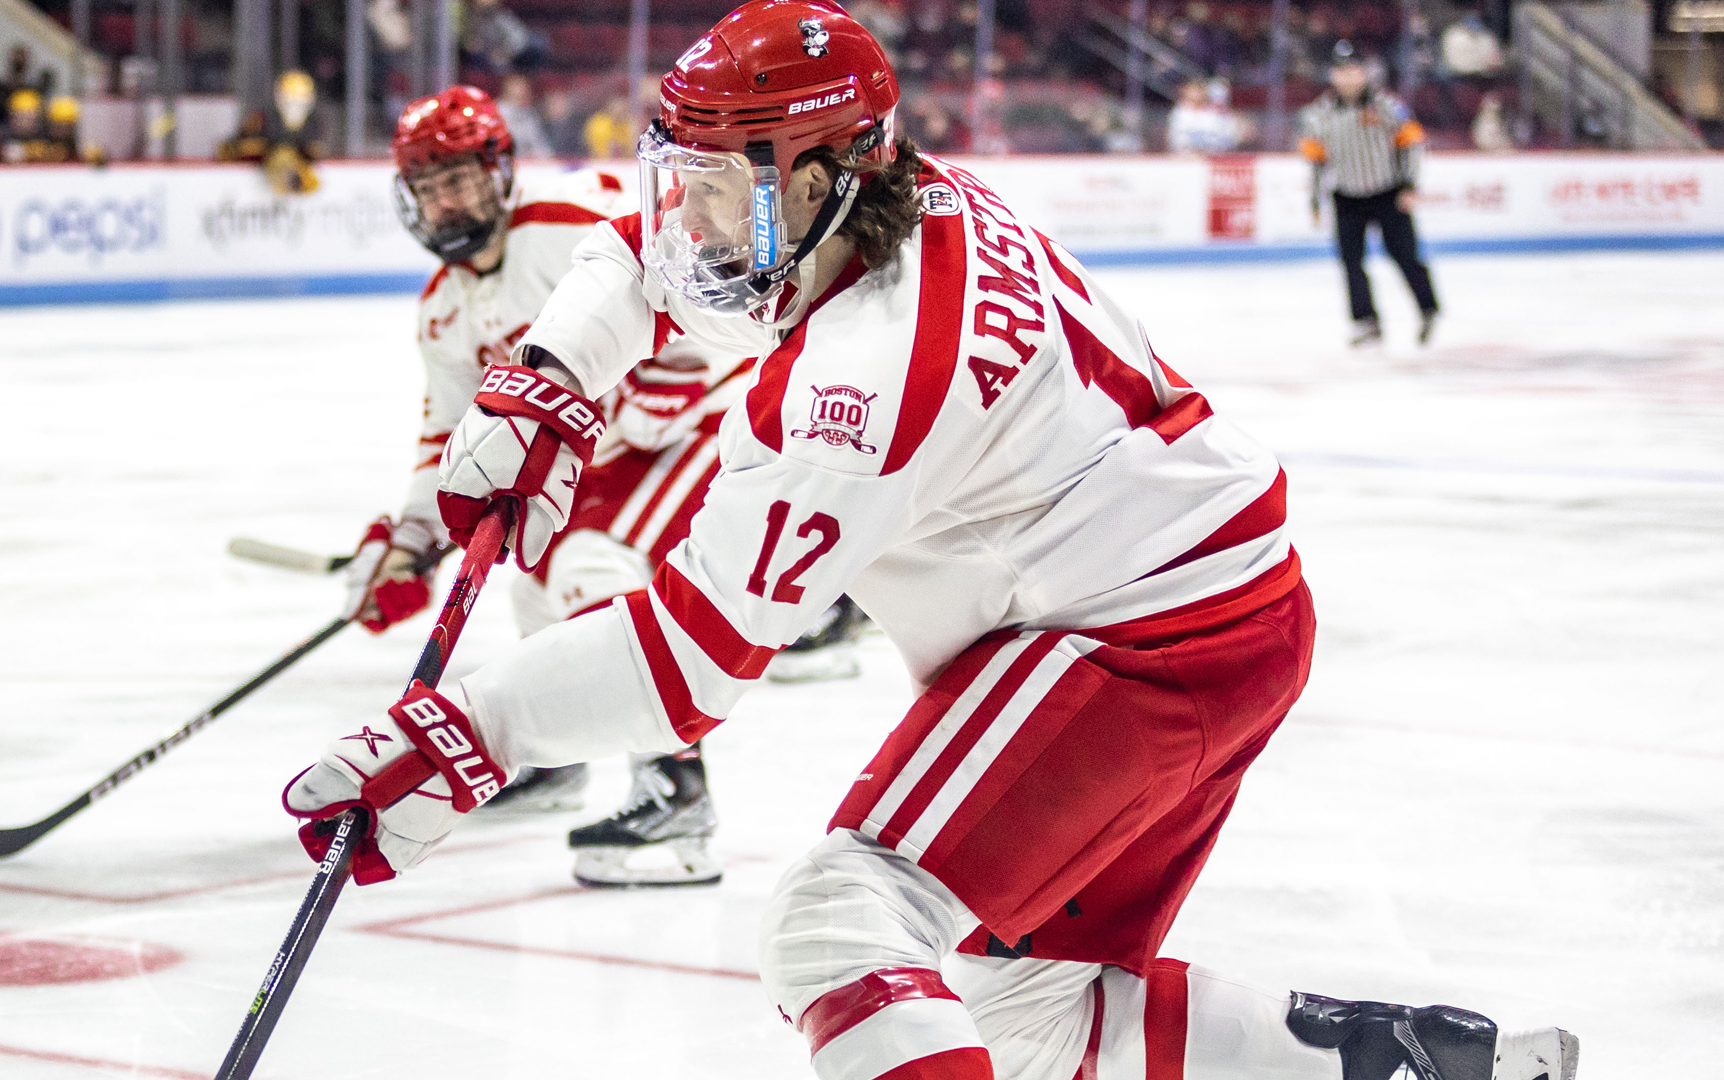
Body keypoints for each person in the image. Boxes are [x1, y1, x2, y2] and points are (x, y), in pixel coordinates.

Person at [283, 4, 1578, 1079]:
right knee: (1025, 1014)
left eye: (717, 187)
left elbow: (693, 660)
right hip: (1205, 607)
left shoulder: (861, 377)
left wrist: (469, 732)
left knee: (839, 927)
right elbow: (638, 253)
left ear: (816, 175)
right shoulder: (903, 202)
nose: (690, 221)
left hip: (1139, 645)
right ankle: (1399, 1063)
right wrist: (556, 376)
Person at [348, 86, 863, 887]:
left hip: (705, 420)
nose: (449, 200)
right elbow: (446, 437)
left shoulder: (563, 230)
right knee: (532, 582)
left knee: (594, 566)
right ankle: (559, 755)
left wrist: (660, 393)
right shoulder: (442, 314)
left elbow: (710, 286)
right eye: (430, 185)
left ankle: (676, 796)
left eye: (462, 179)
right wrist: (409, 543)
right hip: (619, 450)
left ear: (499, 174)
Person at [1299, 40, 1439, 347]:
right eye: (1341, 71)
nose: (1348, 77)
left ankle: (1428, 307)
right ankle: (1365, 321)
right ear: (1332, 75)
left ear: (1364, 73)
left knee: (1404, 255)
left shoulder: (1387, 106)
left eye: (1353, 70)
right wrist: (1314, 200)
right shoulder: (1317, 114)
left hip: (1388, 192)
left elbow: (1411, 145)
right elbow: (1316, 161)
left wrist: (1409, 185)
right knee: (1351, 261)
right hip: (1346, 196)